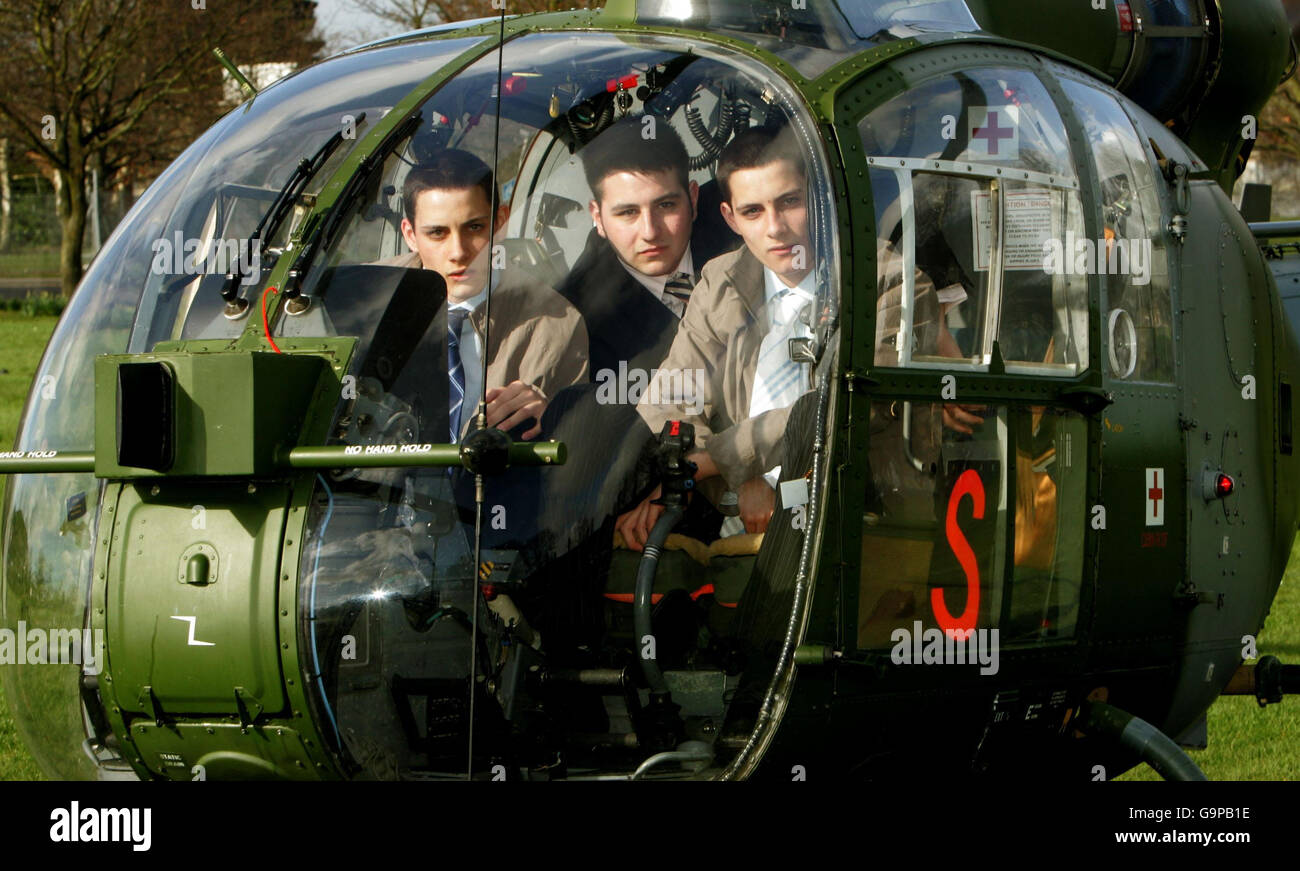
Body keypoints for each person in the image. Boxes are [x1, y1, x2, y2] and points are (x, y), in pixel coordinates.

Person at [621, 126, 820, 549]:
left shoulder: (883, 277)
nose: (775, 228)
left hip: (858, 515)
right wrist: (743, 480)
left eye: (790, 202)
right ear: (730, 217)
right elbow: (670, 401)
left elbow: (835, 408)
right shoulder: (720, 280)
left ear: (816, 197)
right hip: (736, 522)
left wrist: (718, 462)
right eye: (753, 212)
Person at [395, 149, 589, 441]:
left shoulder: (556, 325)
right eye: (437, 233)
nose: (459, 252)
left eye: (474, 227)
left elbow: (573, 457)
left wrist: (553, 419)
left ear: (500, 222)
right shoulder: (368, 299)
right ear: (410, 235)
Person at [557, 116, 735, 380]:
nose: (650, 232)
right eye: (628, 212)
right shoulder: (579, 320)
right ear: (598, 217)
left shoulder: (746, 218)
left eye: (666, 206)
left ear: (694, 198)